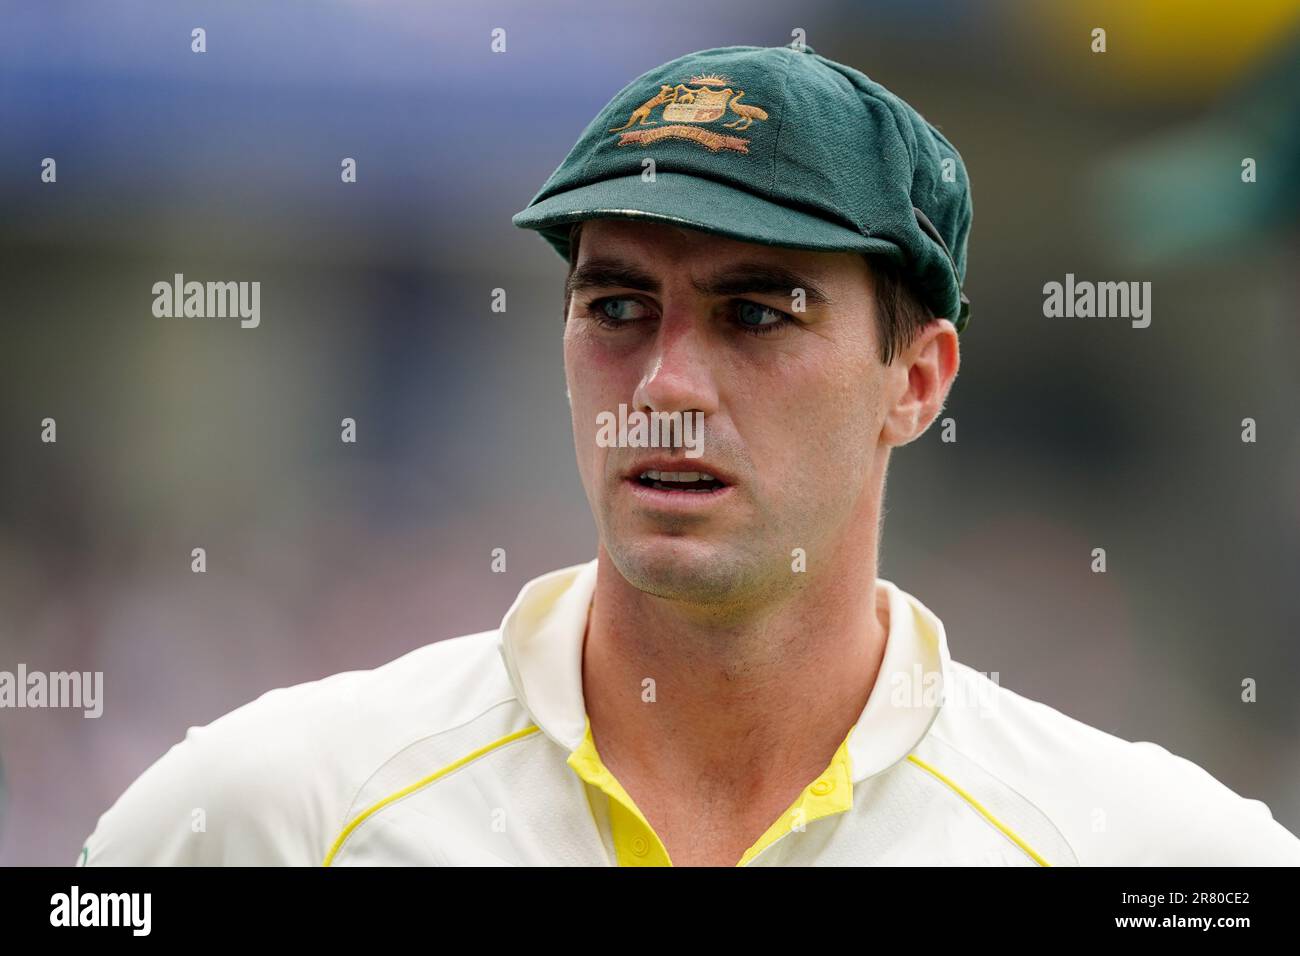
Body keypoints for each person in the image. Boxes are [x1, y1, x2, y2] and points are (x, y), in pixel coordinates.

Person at [80, 43, 1300, 866]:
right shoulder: (273, 809)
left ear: (916, 379)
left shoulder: (1152, 853)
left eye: (755, 314)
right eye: (615, 307)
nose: (665, 384)